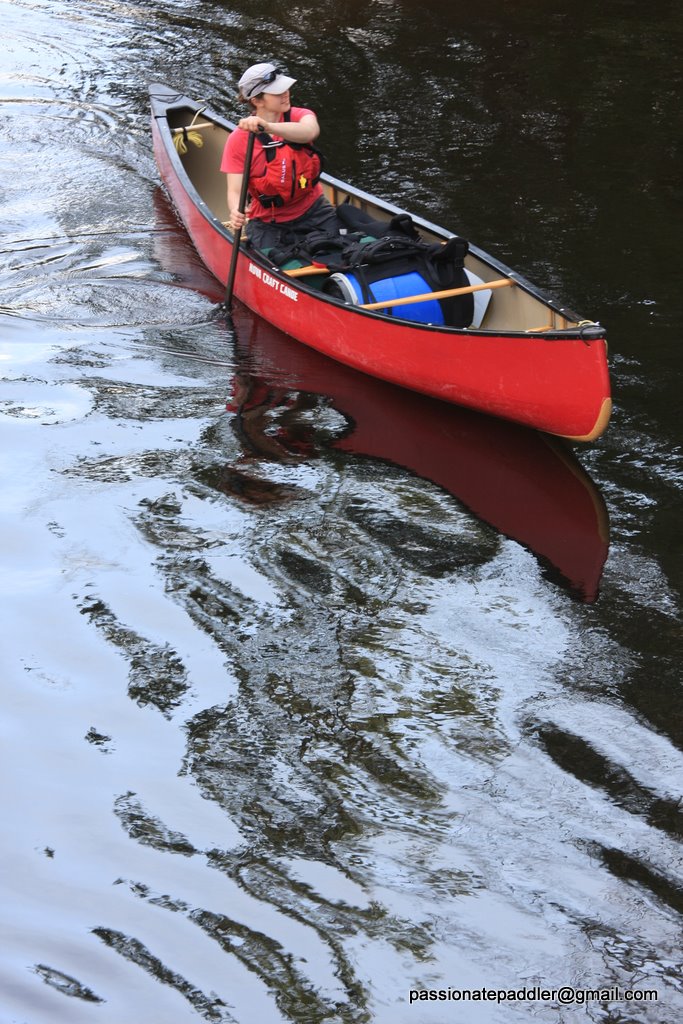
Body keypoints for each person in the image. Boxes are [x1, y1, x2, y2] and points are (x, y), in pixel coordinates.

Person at [221, 62, 341, 252]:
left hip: (315, 212)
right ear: (257, 101)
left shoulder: (301, 115)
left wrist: (268, 127)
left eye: (286, 88)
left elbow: (310, 132)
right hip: (269, 223)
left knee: (337, 252)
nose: (286, 93)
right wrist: (236, 210)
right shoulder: (238, 140)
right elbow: (235, 190)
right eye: (277, 92)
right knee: (275, 262)